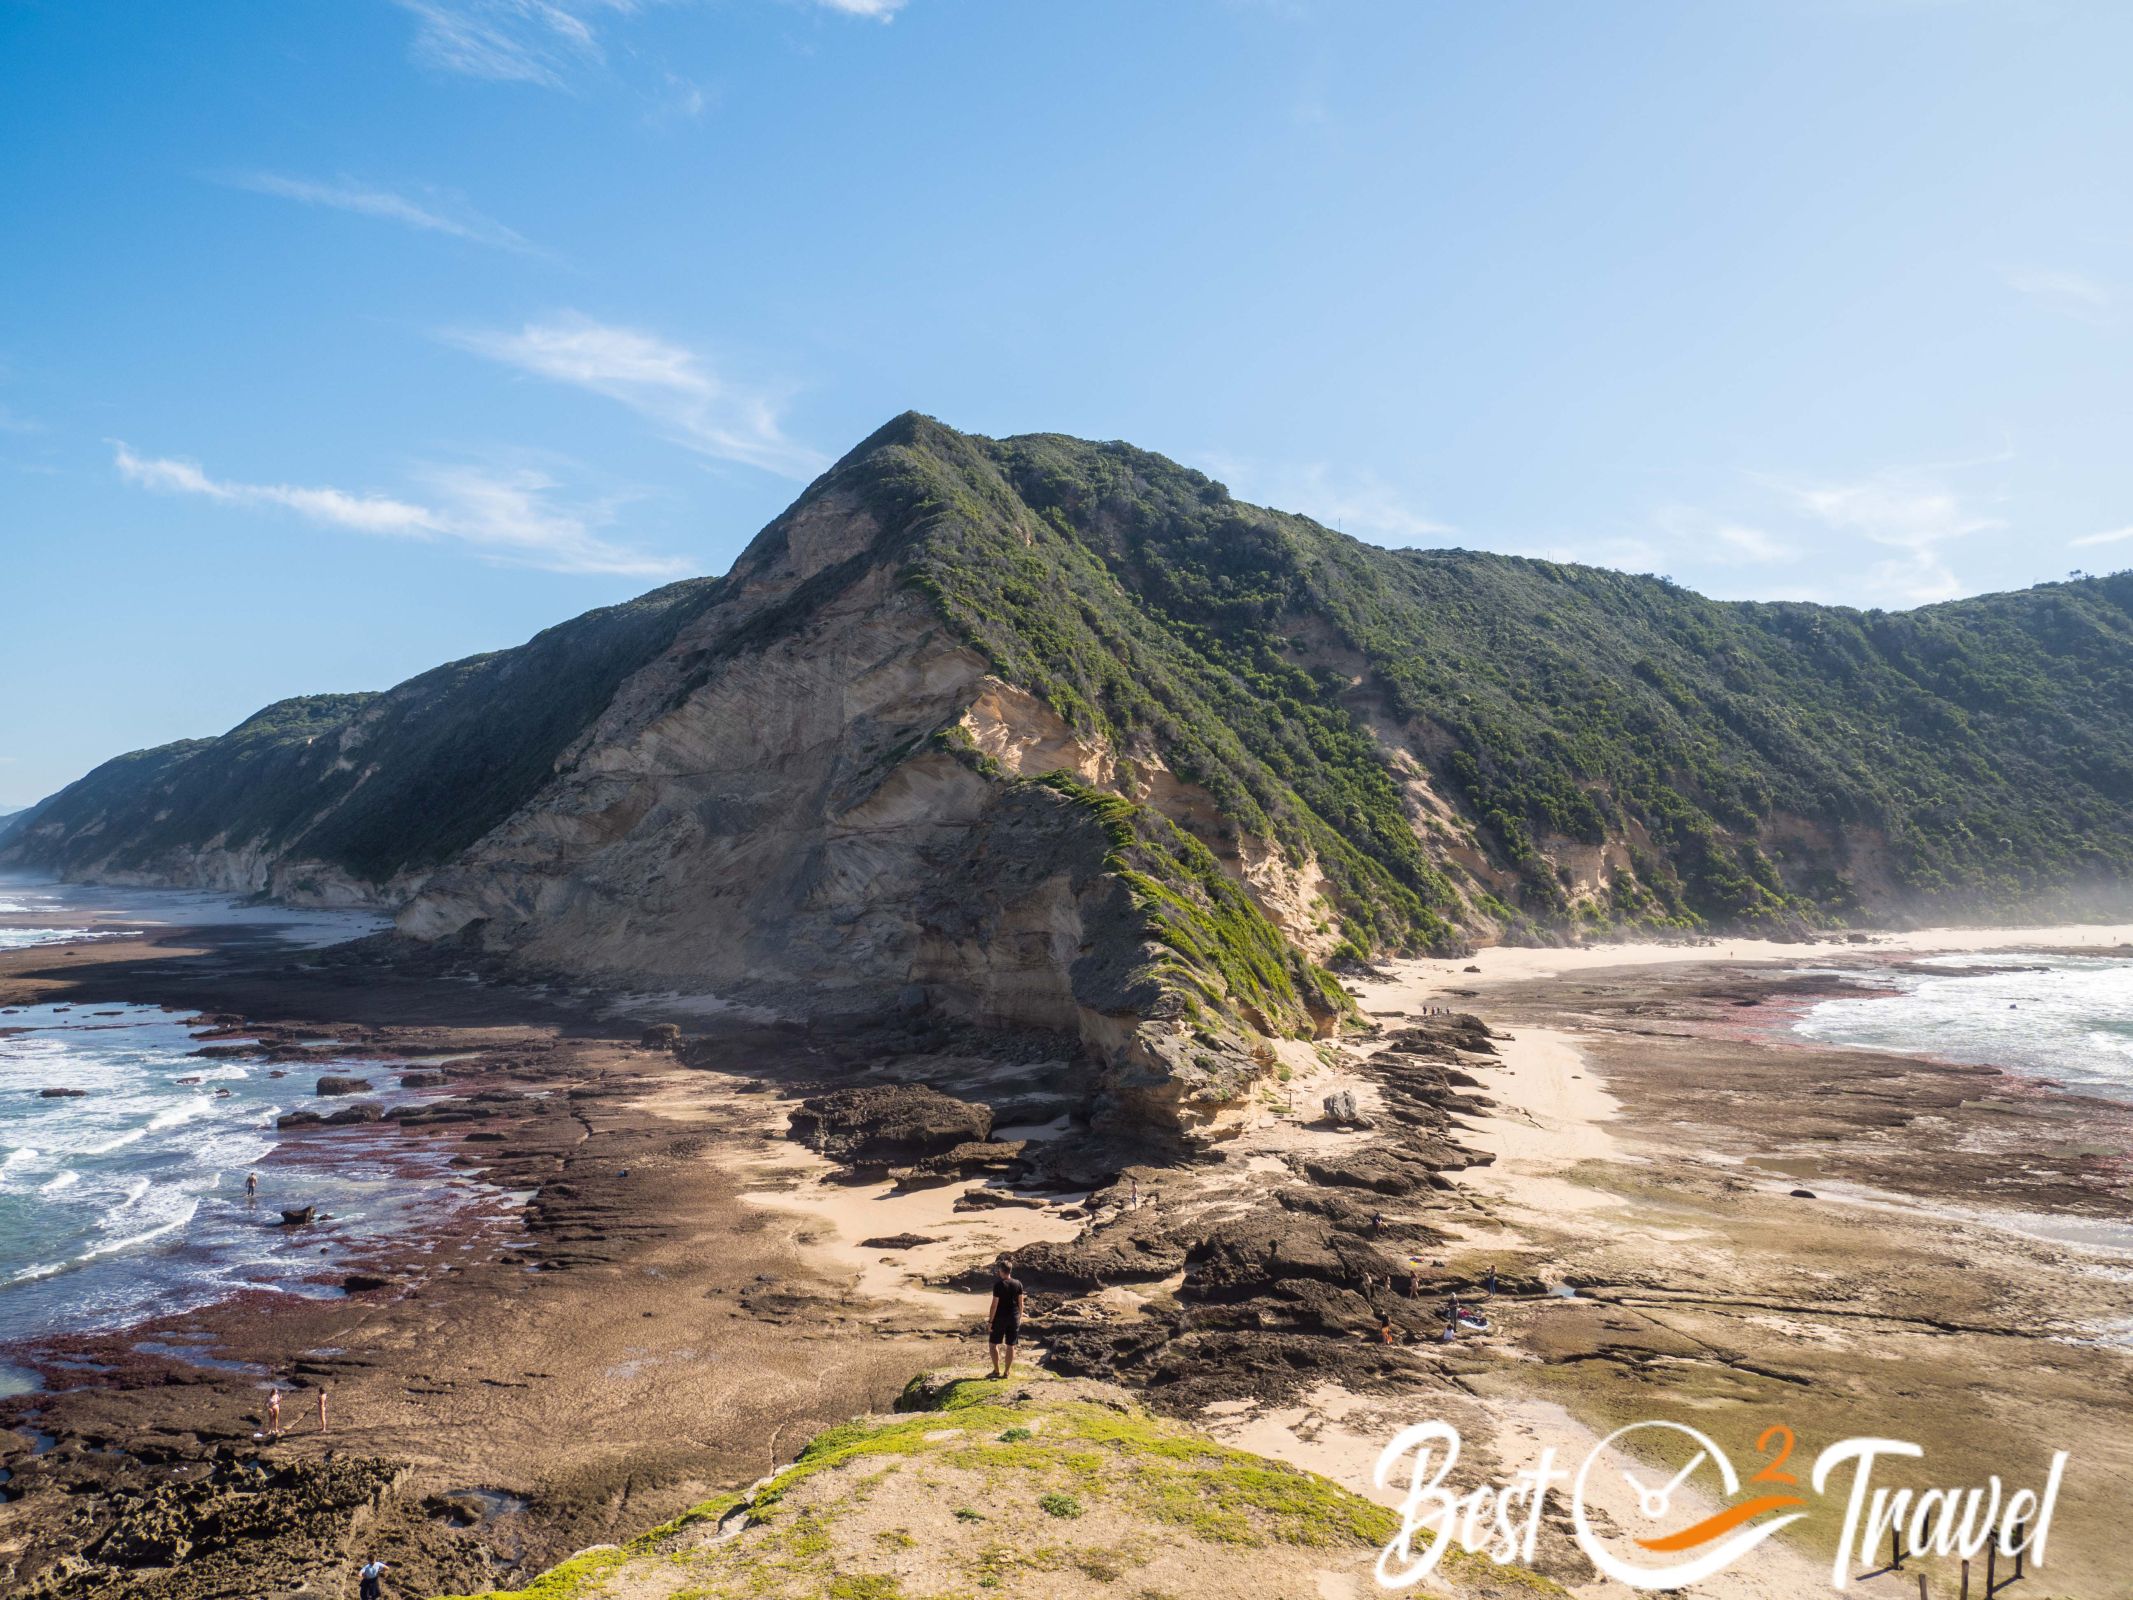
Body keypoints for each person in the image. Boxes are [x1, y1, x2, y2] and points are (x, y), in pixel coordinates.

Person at [987, 1259, 1025, 1379]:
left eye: (999, 1270)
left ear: (1001, 1271)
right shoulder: (1018, 1284)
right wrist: (1020, 1317)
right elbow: (1021, 1303)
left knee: (993, 1344)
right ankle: (1006, 1372)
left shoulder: (998, 1285)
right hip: (1014, 1317)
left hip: (1000, 1318)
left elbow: (994, 1305)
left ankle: (996, 1371)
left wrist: (990, 1322)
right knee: (1010, 1345)